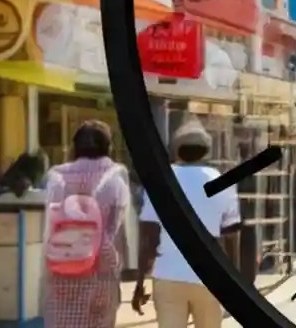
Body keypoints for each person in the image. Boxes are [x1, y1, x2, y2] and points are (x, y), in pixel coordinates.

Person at [133, 119, 242, 328]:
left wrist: (139, 282)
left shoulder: (161, 180)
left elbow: (149, 237)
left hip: (168, 276)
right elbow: (232, 237)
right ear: (207, 151)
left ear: (176, 150)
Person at [43, 120, 132, 328]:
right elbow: (117, 230)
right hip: (99, 270)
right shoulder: (115, 180)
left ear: (74, 147)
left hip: (59, 267)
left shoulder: (55, 178)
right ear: (108, 148)